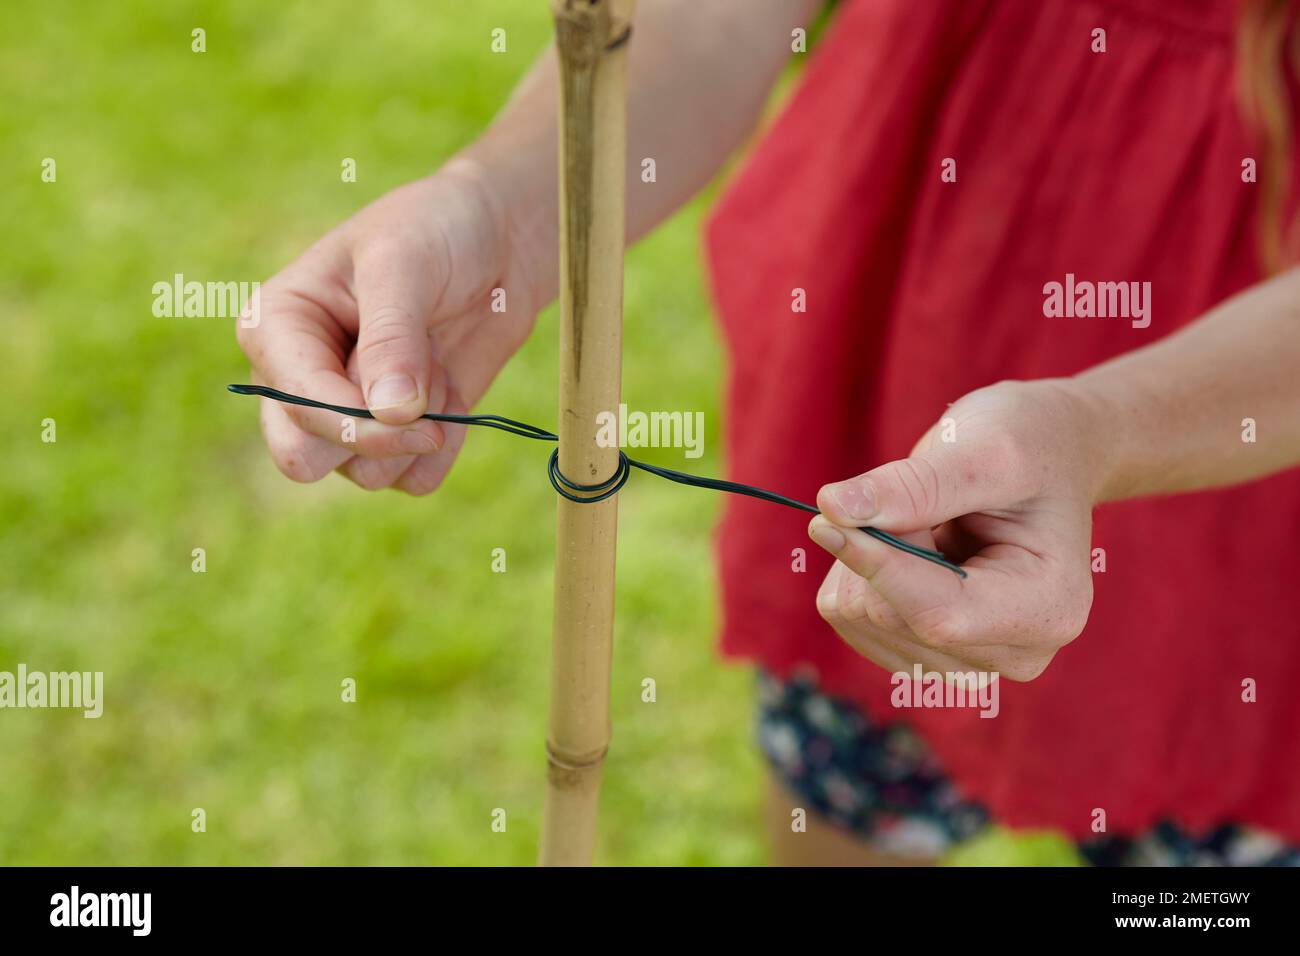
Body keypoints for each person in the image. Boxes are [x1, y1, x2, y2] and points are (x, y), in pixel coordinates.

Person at [235, 0, 1300, 866]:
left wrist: (1099, 429)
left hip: (1240, 507)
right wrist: (503, 208)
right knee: (847, 790)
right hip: (897, 427)